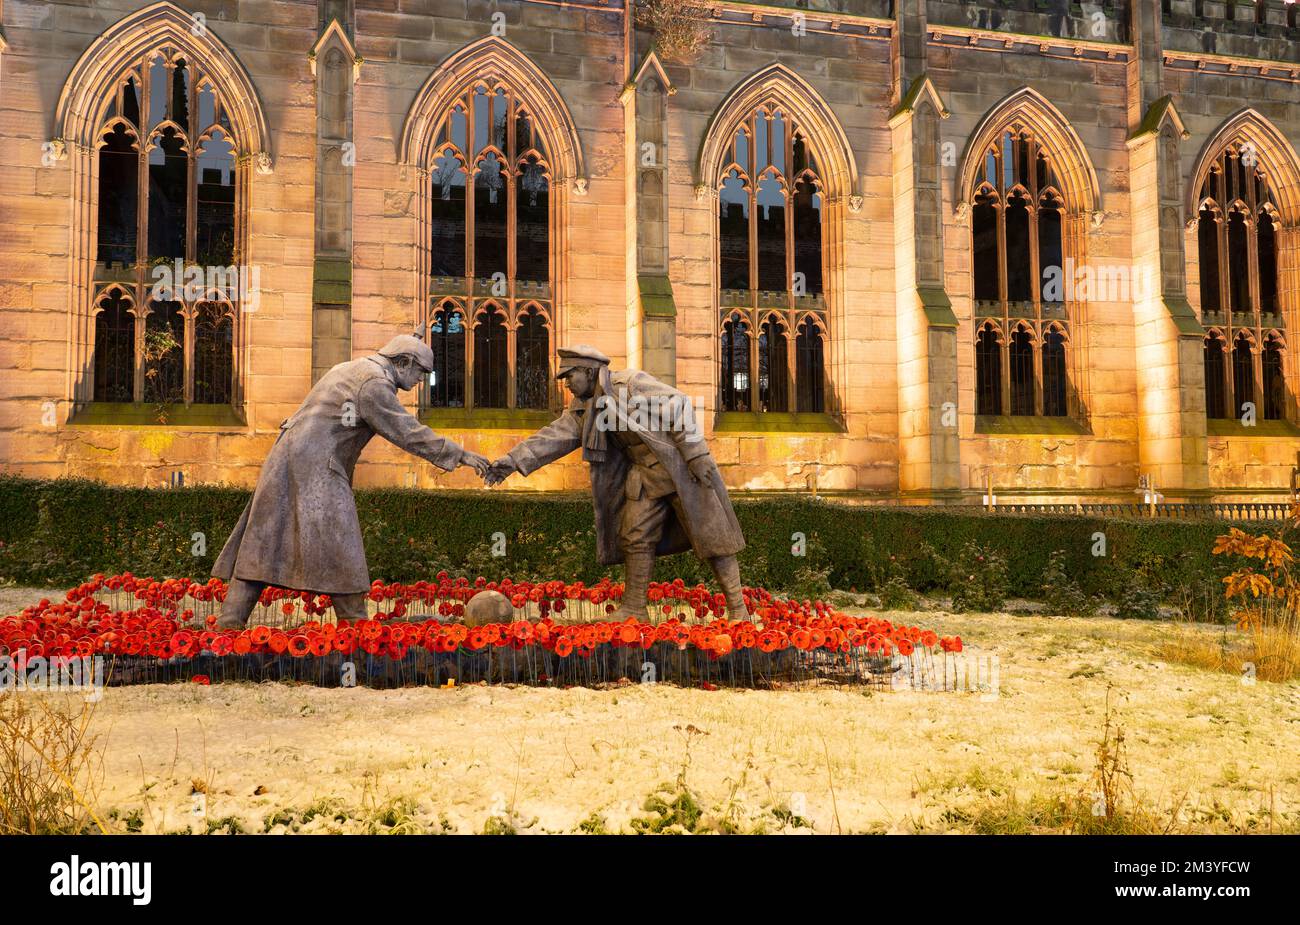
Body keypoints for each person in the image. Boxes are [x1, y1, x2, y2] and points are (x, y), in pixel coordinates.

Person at [213, 333, 489, 628]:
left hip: (285, 458)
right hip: (318, 466)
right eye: (421, 372)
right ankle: (357, 627)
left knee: (264, 539)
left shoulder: (349, 368)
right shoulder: (374, 383)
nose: (422, 380)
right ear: (404, 361)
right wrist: (459, 454)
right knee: (341, 542)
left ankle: (230, 621)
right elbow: (407, 431)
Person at [484, 345, 750, 620]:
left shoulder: (629, 384)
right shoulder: (583, 408)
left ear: (588, 372)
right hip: (644, 476)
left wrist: (696, 454)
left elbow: (679, 404)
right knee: (634, 536)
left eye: (569, 376)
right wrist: (512, 461)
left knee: (712, 537)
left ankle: (738, 611)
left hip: (680, 470)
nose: (567, 384)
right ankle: (634, 609)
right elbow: (553, 437)